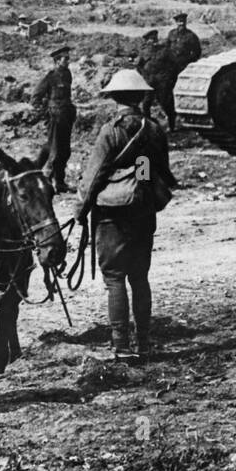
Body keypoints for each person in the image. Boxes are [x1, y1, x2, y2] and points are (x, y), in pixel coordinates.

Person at [76, 69, 177, 362]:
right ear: (139, 96)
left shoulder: (112, 130)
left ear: (115, 97)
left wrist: (81, 210)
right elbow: (159, 170)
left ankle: (120, 345)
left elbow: (95, 176)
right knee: (139, 277)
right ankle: (144, 342)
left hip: (112, 214)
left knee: (115, 278)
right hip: (143, 210)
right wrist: (139, 183)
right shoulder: (153, 128)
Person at [31, 45, 75, 193]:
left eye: (68, 58)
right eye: (65, 59)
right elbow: (35, 98)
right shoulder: (50, 77)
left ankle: (60, 182)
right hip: (55, 117)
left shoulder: (67, 74)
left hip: (66, 116)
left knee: (65, 150)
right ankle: (47, 183)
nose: (68, 61)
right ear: (57, 61)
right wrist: (46, 113)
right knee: (54, 151)